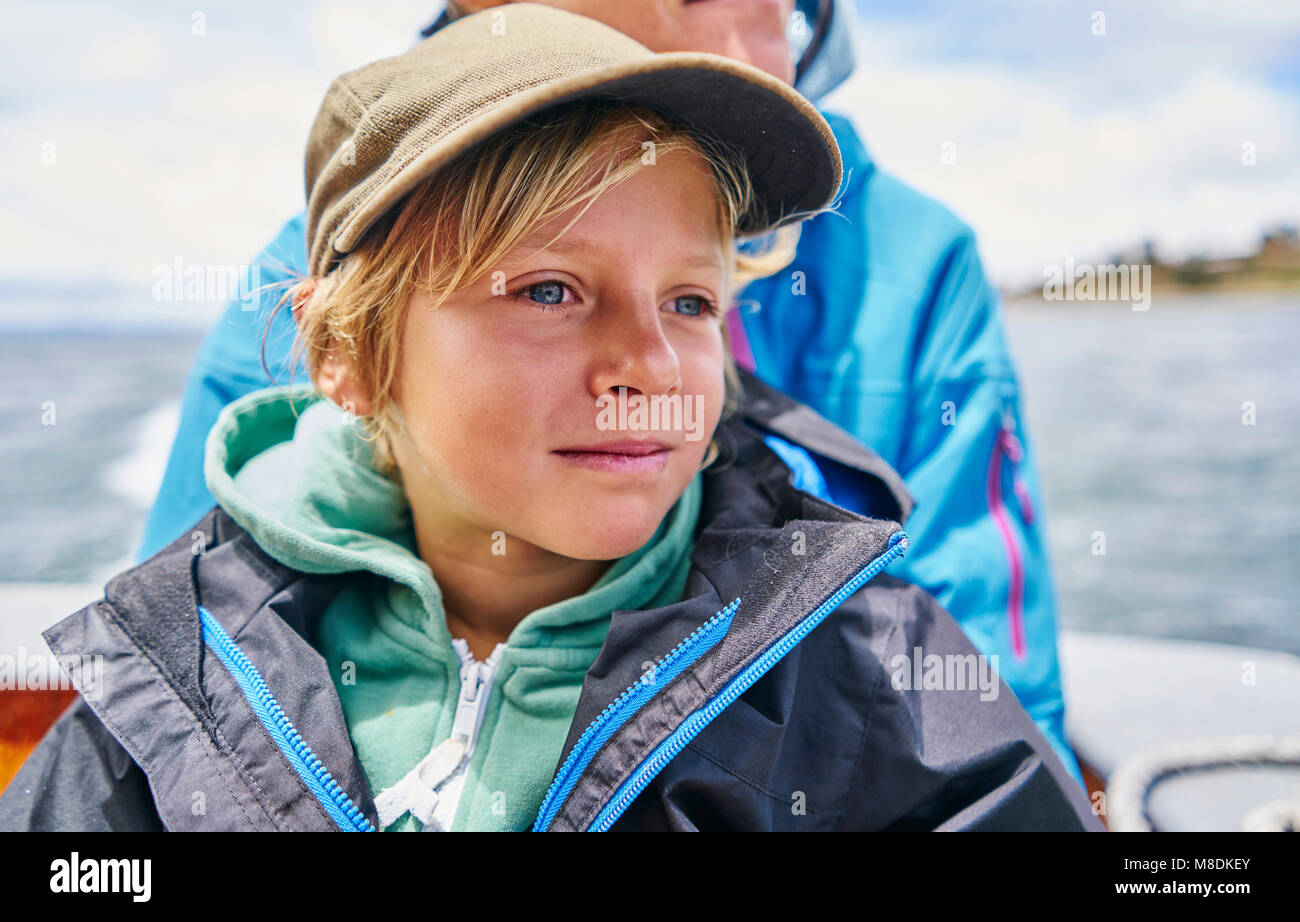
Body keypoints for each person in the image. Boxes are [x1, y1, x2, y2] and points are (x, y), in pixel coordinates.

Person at [0, 5, 1100, 831]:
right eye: (547, 291)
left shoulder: (869, 659)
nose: (649, 361)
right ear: (339, 354)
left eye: (693, 302)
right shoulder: (176, 658)